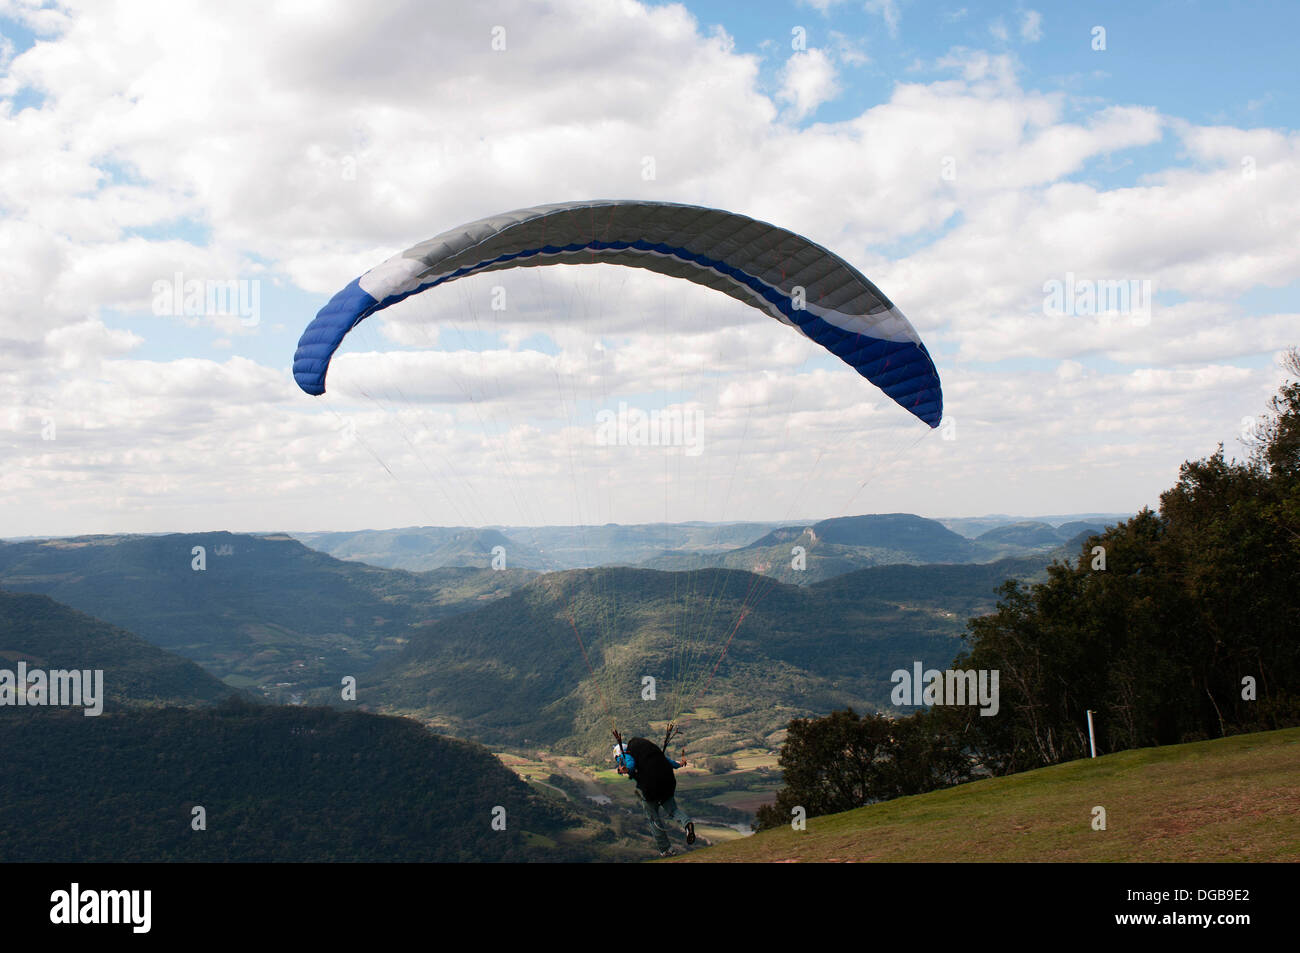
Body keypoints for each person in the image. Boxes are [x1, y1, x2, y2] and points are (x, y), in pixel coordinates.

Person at [613, 729, 695, 856]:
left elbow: (630, 764)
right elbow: (668, 761)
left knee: (653, 819)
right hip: (667, 782)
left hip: (650, 787)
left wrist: (626, 769)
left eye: (618, 759)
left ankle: (666, 849)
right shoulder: (648, 753)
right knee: (673, 810)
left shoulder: (627, 754)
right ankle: (687, 823)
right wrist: (680, 764)